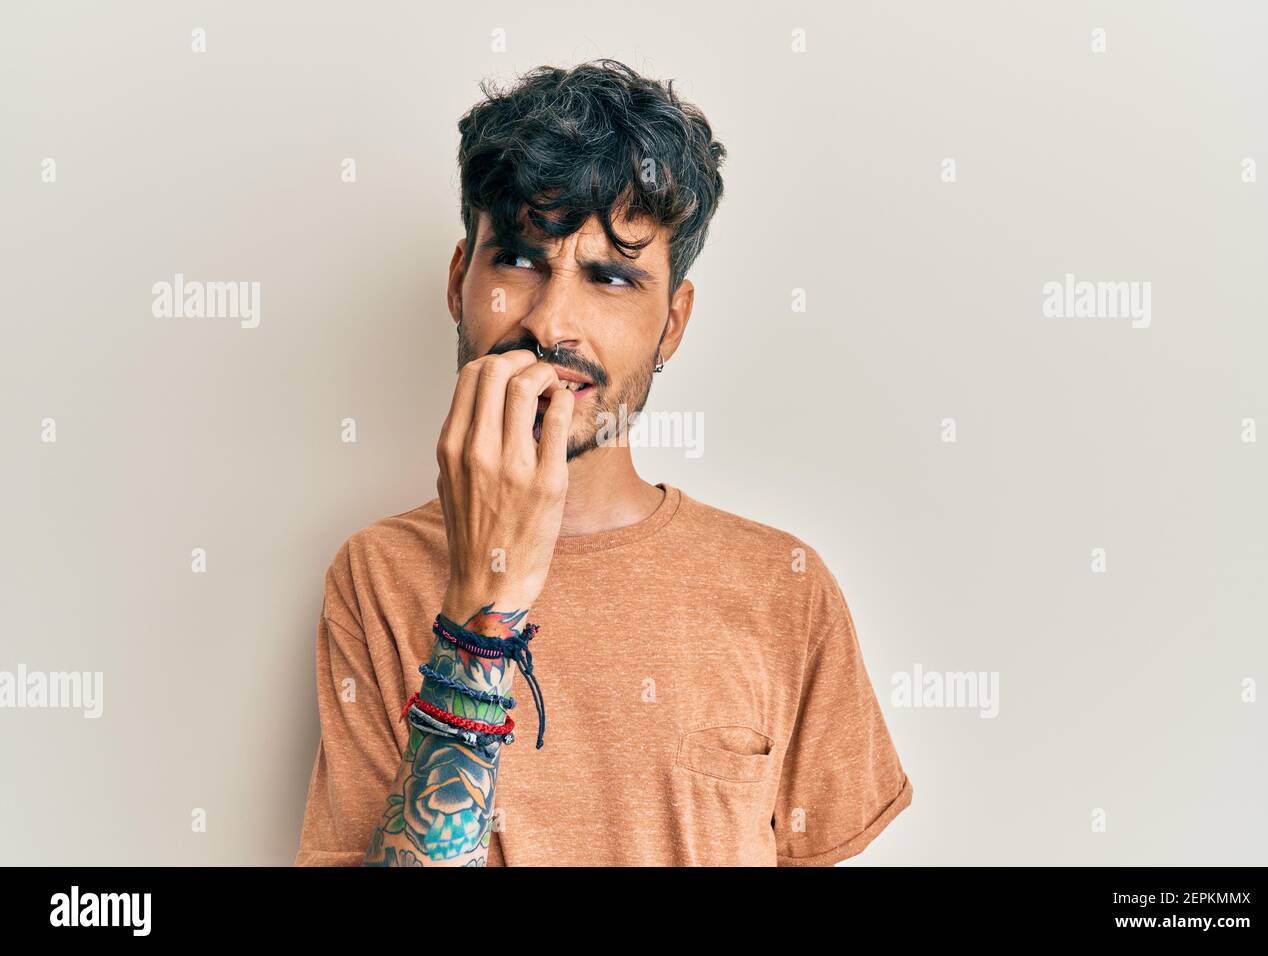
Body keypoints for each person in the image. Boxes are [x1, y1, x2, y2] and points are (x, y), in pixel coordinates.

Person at [293, 59, 912, 867]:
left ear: (673, 325)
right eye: (518, 259)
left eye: (611, 278)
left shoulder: (785, 587)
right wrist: (485, 604)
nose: (552, 323)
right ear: (459, 280)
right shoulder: (375, 577)